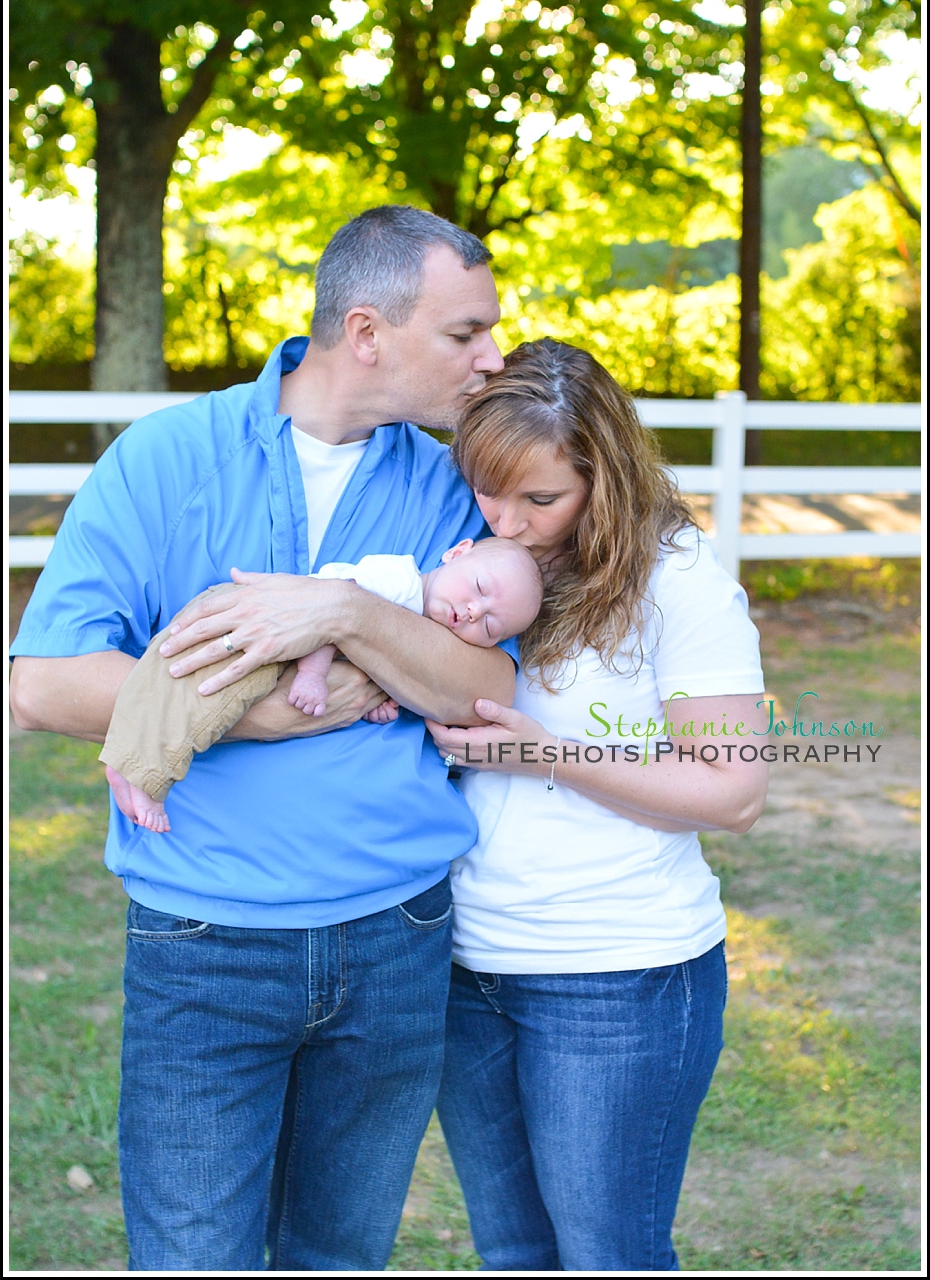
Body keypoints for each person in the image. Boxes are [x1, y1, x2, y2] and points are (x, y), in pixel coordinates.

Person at [9, 206, 519, 1273]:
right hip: (207, 942)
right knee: (195, 1258)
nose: (493, 356)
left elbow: (482, 691)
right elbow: (46, 682)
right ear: (369, 331)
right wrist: (270, 711)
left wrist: (347, 615)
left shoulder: (444, 486)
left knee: (339, 1256)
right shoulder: (166, 457)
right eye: (467, 332)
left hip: (397, 934)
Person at [424, 337, 768, 1272]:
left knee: (608, 1255)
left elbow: (731, 791)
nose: (512, 520)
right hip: (465, 968)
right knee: (513, 1254)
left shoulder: (678, 580)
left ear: (604, 473)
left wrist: (541, 752)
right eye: (490, 491)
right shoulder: (464, 552)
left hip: (618, 976)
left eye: (542, 498)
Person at [101, 536, 543, 833]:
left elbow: (371, 655)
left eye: (489, 626)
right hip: (251, 621)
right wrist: (313, 676)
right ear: (456, 552)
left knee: (186, 687)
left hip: (276, 641)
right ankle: (143, 775)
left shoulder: (423, 625)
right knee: (205, 695)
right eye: (478, 588)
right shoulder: (400, 582)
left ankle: (132, 761)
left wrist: (379, 703)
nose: (471, 612)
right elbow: (327, 613)